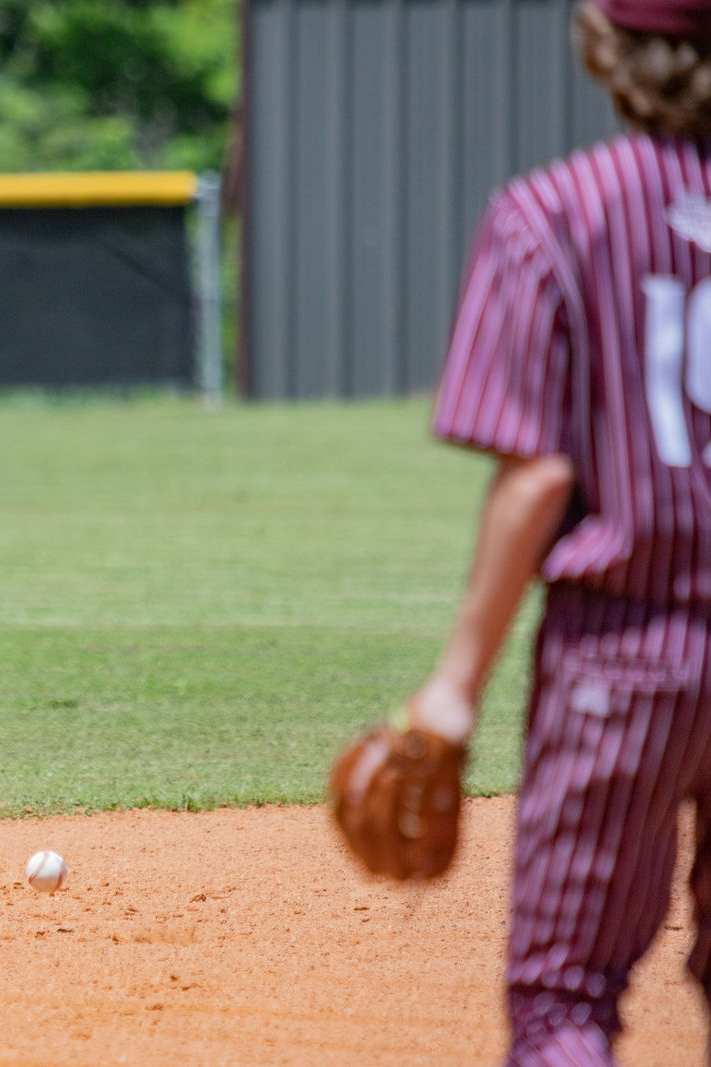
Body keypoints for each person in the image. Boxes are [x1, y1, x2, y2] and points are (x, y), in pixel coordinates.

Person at [403, 0, 711, 1060]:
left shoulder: (553, 211)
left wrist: (453, 687)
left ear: (607, 48)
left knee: (565, 996)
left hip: (626, 650)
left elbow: (537, 471)